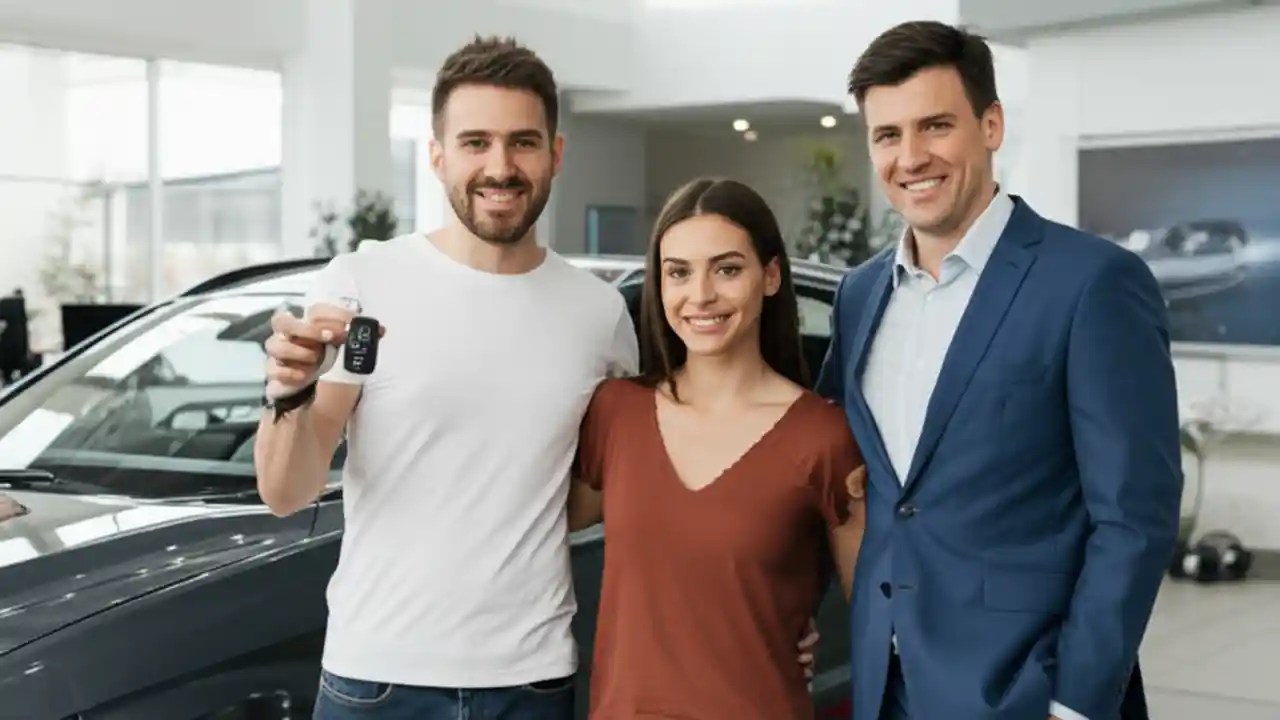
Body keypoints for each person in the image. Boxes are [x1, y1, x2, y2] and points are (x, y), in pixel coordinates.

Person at [255, 37, 817, 720]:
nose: (500, 166)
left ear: (556, 152)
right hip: (376, 679)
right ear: (436, 155)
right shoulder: (363, 287)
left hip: (531, 682)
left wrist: (766, 612)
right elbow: (289, 492)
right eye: (475, 142)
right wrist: (288, 397)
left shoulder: (599, 314)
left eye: (522, 142)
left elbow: (649, 483)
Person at [816, 20, 1182, 720]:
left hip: (1028, 691)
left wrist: (1076, 700)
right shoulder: (859, 294)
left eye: (935, 126)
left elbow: (1134, 518)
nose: (911, 156)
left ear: (991, 124)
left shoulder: (1093, 283)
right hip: (884, 687)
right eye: (887, 135)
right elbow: (843, 471)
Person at [567, 177, 868, 720]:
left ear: (771, 275)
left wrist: (783, 619)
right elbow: (520, 526)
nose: (700, 295)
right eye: (678, 272)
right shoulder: (617, 414)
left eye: (727, 269)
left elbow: (877, 612)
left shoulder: (822, 438)